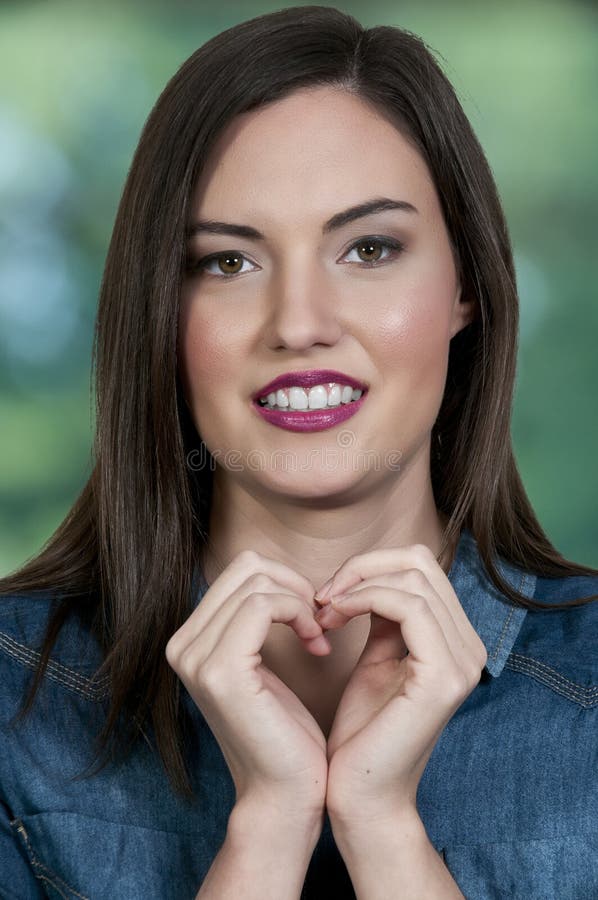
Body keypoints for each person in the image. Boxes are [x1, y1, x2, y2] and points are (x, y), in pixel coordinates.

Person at [0, 5, 596, 898]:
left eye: (369, 248)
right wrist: (269, 826)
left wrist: (383, 828)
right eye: (229, 263)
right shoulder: (13, 704)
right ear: (160, 311)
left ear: (466, 285)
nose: (300, 324)